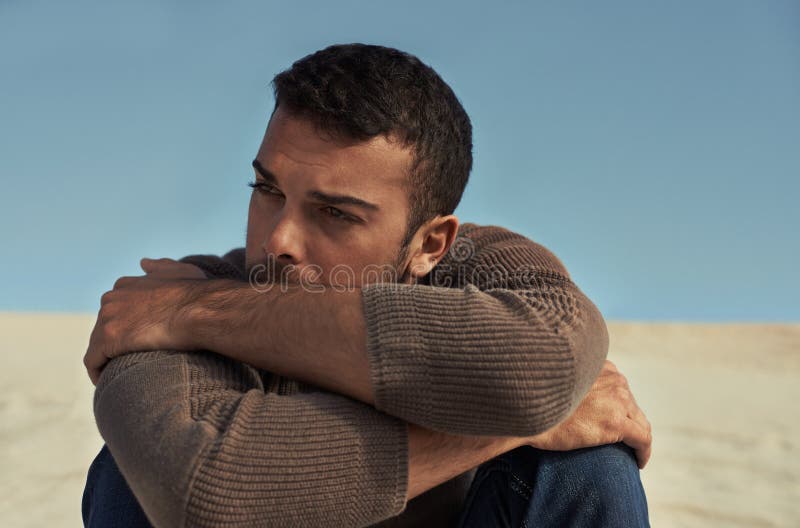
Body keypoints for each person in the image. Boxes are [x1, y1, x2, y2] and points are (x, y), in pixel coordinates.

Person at [82, 43, 651, 527]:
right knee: (129, 475)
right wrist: (519, 425)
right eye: (268, 190)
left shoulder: (486, 265)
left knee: (585, 469)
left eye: (335, 213)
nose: (279, 238)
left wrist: (201, 313)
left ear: (430, 245)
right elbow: (198, 490)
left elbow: (541, 362)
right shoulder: (165, 298)